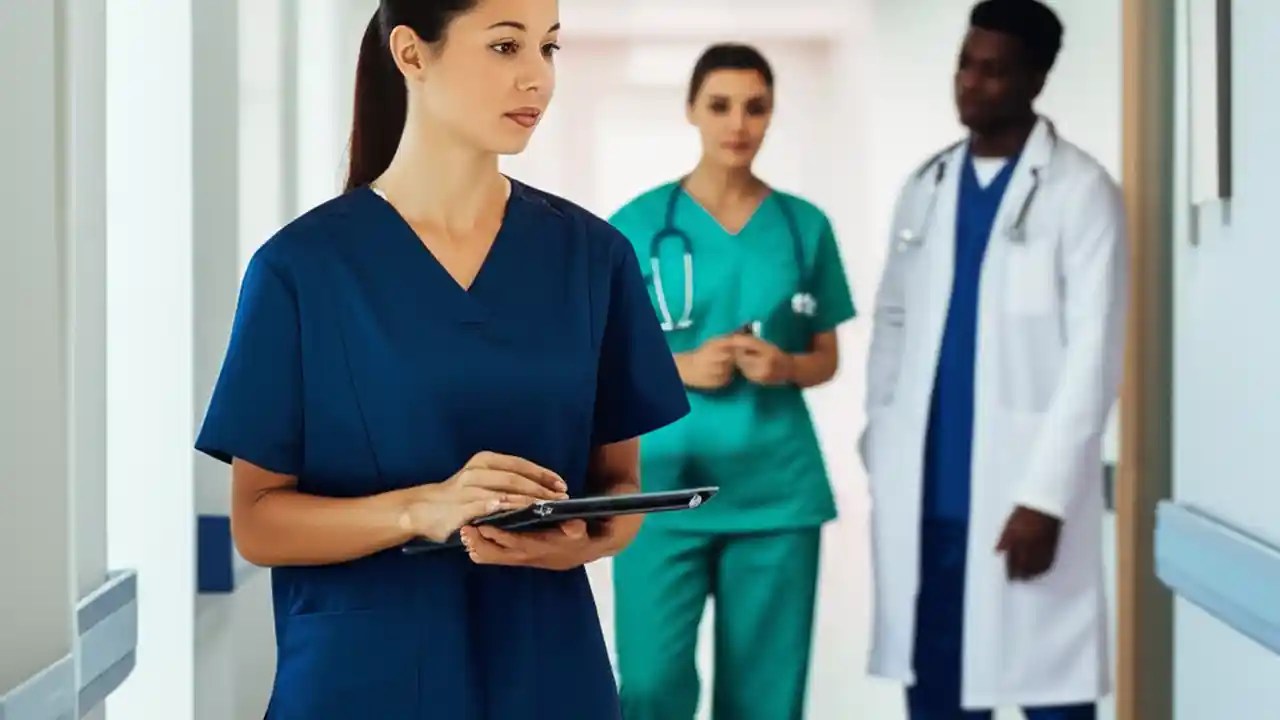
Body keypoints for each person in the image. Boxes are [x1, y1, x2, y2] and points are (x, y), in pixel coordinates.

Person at [194, 1, 690, 718]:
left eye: (548, 49)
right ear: (412, 55)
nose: (537, 79)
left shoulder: (592, 258)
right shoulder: (302, 268)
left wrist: (565, 545)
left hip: (547, 676)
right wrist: (421, 509)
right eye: (504, 47)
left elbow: (620, 491)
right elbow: (260, 522)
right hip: (361, 683)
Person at [861, 1, 1128, 719]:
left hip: (1022, 496)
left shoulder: (1082, 192)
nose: (971, 84)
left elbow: (1095, 355)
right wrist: (880, 430)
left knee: (1051, 694)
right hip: (930, 494)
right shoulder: (927, 187)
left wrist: (1045, 497)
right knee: (940, 692)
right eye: (965, 64)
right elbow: (891, 323)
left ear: (1035, 80)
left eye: (993, 70)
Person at [607, 43, 857, 720]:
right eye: (719, 105)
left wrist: (786, 367)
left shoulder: (804, 228)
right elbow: (595, 364)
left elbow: (826, 355)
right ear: (692, 110)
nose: (737, 124)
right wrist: (679, 368)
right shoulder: (633, 228)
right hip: (661, 488)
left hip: (776, 495)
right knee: (651, 685)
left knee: (764, 699)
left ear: (772, 115)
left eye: (755, 107)